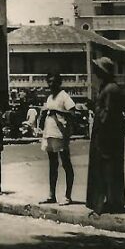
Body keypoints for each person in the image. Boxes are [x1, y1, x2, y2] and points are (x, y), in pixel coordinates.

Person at [86, 57, 125, 215]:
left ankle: (111, 201)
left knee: (108, 169)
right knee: (108, 169)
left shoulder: (111, 89)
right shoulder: (108, 87)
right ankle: (110, 200)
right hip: (106, 134)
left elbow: (108, 114)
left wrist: (95, 108)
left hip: (107, 136)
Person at [39, 73, 76, 205]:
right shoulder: (50, 97)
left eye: (53, 81)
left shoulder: (64, 96)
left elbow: (73, 112)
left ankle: (68, 196)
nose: (50, 84)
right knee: (52, 165)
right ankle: (51, 195)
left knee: (66, 164)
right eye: (48, 82)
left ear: (59, 82)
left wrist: (57, 111)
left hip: (61, 135)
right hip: (49, 134)